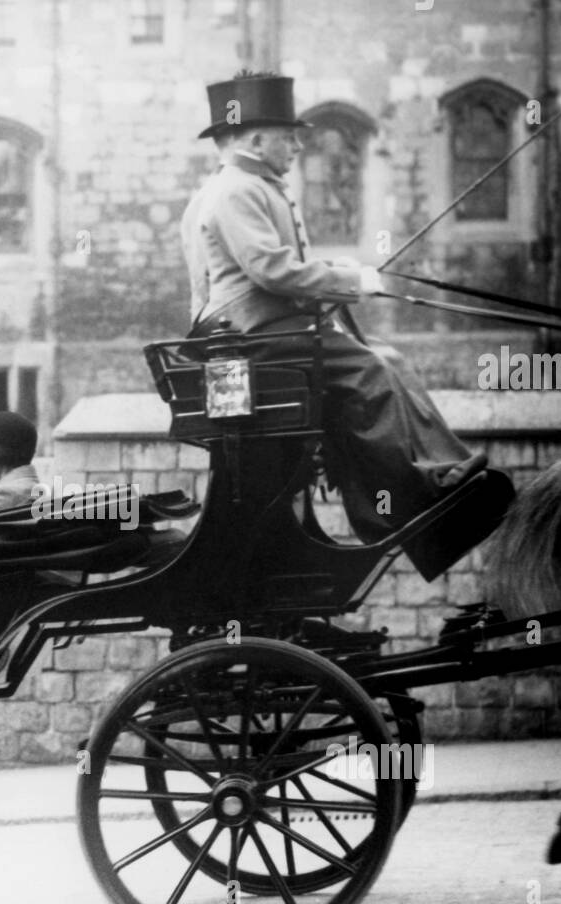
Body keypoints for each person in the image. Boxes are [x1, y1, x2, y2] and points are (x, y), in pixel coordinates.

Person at [181, 71, 489, 549]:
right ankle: (411, 493)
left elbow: (268, 270)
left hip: (260, 333)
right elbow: (270, 271)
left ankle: (434, 473)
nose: (298, 148)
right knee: (370, 371)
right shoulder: (238, 189)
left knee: (388, 359)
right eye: (289, 138)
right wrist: (348, 281)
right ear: (258, 139)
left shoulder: (237, 185)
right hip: (257, 339)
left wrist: (336, 271)